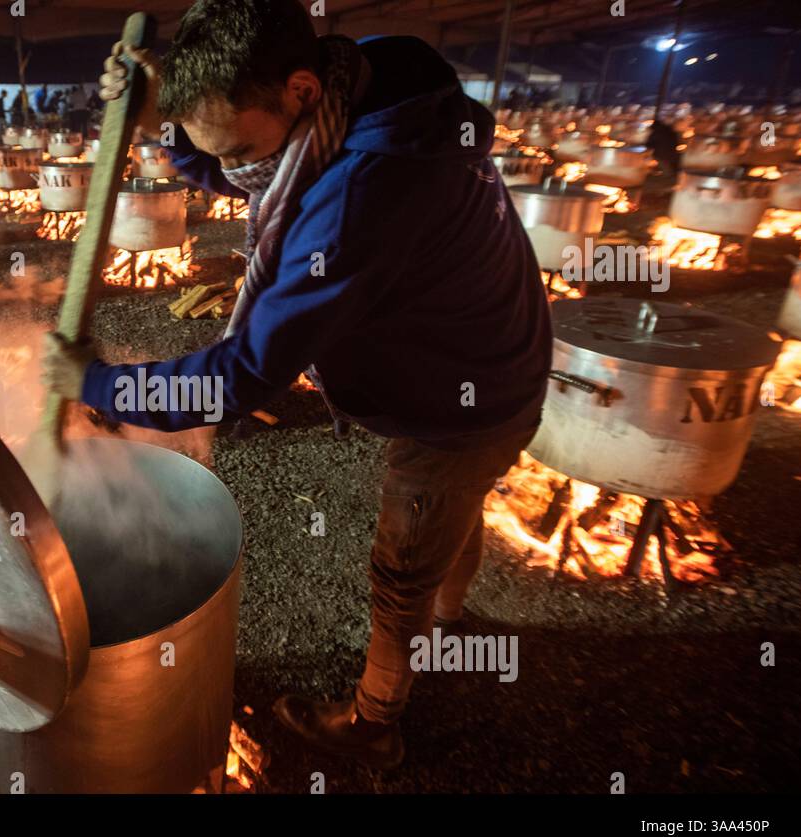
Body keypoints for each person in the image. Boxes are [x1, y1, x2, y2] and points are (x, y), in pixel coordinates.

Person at [42, 0, 551, 768]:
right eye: (211, 142)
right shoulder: (369, 77)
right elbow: (238, 163)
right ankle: (452, 620)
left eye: (240, 143)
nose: (232, 168)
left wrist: (99, 384)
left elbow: (243, 375)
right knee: (458, 509)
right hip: (485, 347)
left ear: (302, 92)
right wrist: (160, 122)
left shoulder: (363, 193)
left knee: (405, 558)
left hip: (464, 393)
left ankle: (376, 723)